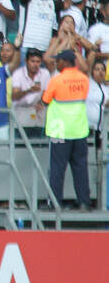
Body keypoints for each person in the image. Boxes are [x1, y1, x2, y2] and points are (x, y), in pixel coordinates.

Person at [43, 48, 92, 209]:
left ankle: (55, 203)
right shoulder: (84, 79)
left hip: (60, 130)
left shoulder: (57, 80)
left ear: (65, 62)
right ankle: (84, 202)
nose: (56, 62)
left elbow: (45, 99)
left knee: (57, 168)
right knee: (80, 168)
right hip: (79, 130)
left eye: (59, 60)